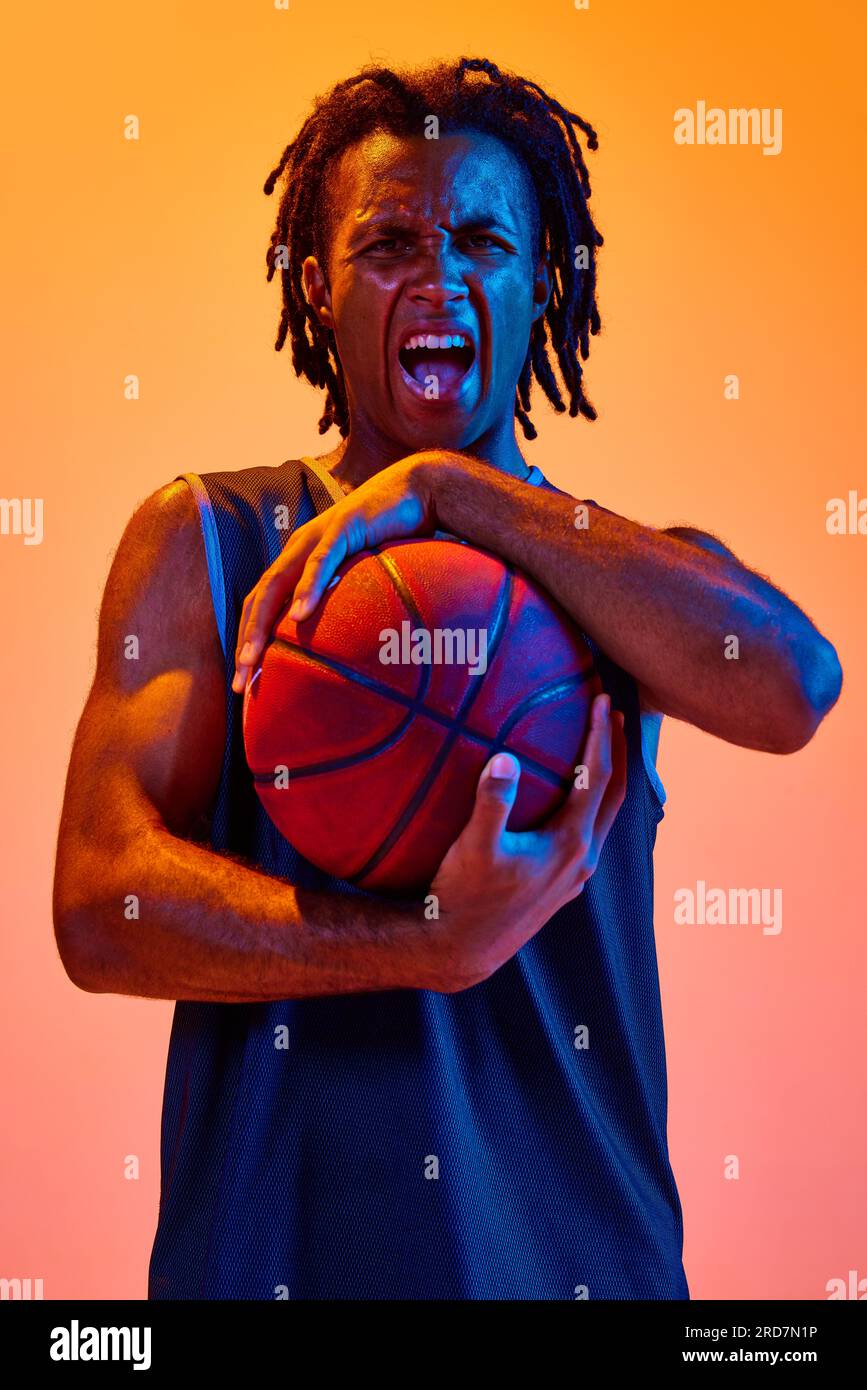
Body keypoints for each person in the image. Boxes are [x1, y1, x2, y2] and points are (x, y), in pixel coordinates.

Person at [53, 59, 842, 1300]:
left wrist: (452, 490)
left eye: (484, 240)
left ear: (541, 285)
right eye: (388, 244)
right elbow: (103, 907)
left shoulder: (620, 576)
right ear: (315, 288)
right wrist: (417, 943)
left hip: (580, 1269)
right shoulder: (207, 541)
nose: (439, 276)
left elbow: (797, 683)